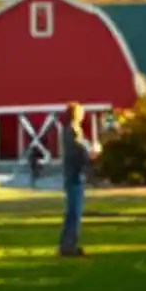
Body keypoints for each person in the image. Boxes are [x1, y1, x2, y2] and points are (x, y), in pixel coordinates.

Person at [60, 102, 94, 257]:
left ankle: (68, 244)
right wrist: (92, 153)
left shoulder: (70, 130)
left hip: (73, 175)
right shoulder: (73, 131)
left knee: (73, 212)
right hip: (74, 176)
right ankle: (68, 246)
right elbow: (79, 152)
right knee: (74, 212)